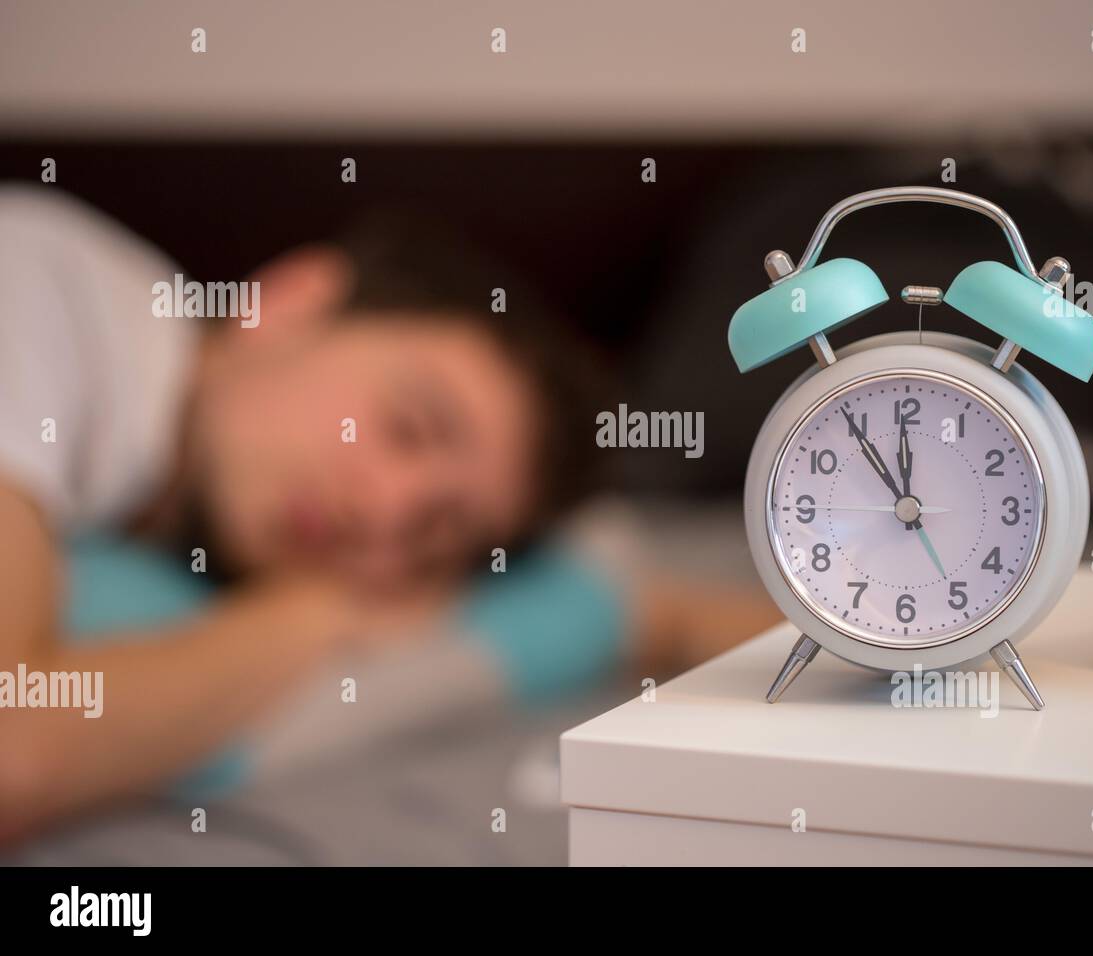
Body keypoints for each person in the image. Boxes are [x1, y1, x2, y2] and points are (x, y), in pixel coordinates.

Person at [0, 186, 779, 841]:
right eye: (407, 425)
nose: (383, 513)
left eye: (433, 534)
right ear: (294, 300)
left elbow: (632, 607)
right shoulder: (47, 306)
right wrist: (304, 618)